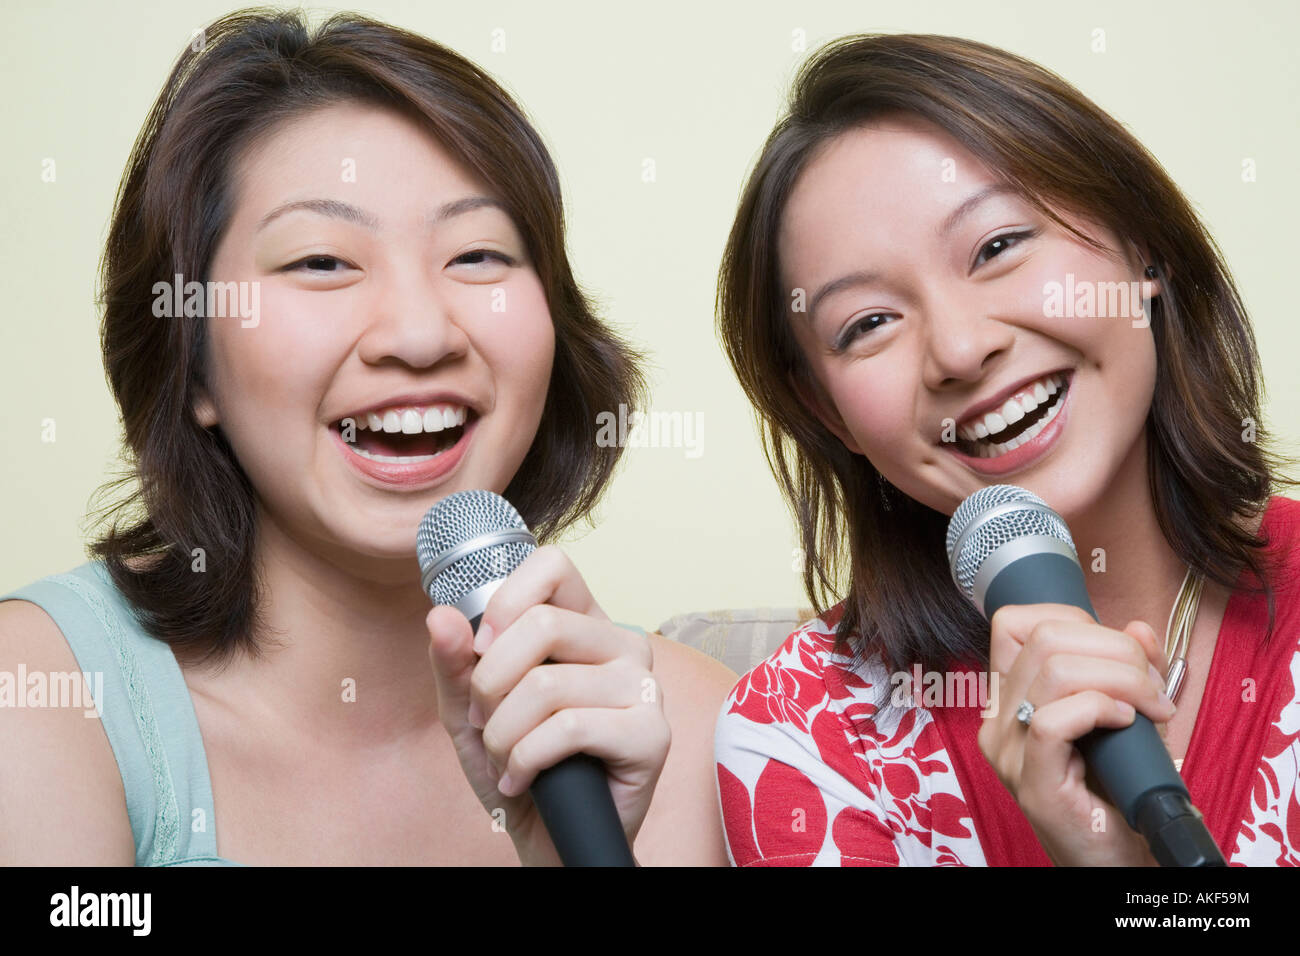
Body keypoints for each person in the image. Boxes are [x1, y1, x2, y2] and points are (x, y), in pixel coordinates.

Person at [0, 9, 735, 866]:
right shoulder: (46, 696)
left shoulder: (691, 727)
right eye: (321, 262)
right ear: (193, 362)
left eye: (479, 256)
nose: (420, 335)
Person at [713, 33, 1299, 866]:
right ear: (829, 411)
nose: (958, 349)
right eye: (869, 323)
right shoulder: (803, 739)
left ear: (1143, 248)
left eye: (997, 247)